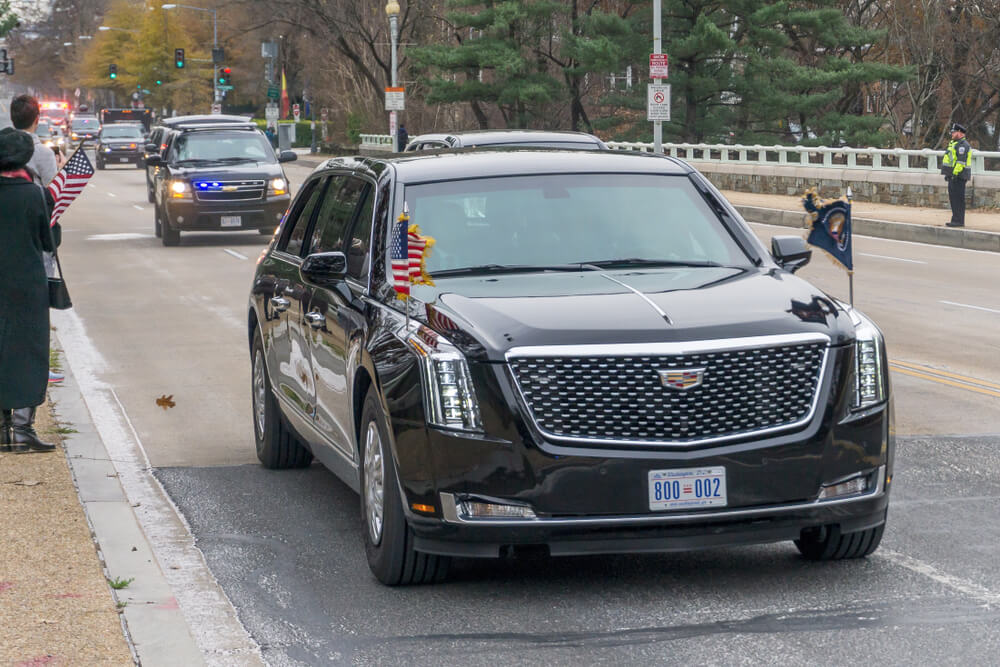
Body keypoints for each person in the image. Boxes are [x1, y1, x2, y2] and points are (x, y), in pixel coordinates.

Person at [0, 128, 57, 452]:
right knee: (28, 351)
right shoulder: (33, 194)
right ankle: (22, 427)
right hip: (26, 283)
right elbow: (48, 241)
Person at [11, 94, 65, 383]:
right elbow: (53, 198)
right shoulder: (42, 153)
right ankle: (37, 369)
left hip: (8, 234)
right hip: (36, 238)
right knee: (37, 306)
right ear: (37, 118)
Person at [941, 122, 972, 228]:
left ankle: (959, 221)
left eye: (954, 132)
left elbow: (960, 163)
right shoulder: (954, 144)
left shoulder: (963, 145)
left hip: (959, 176)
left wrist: (954, 174)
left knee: (958, 199)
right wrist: (948, 174)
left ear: (960, 132)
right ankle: (955, 219)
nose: (952, 134)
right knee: (953, 199)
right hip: (953, 176)